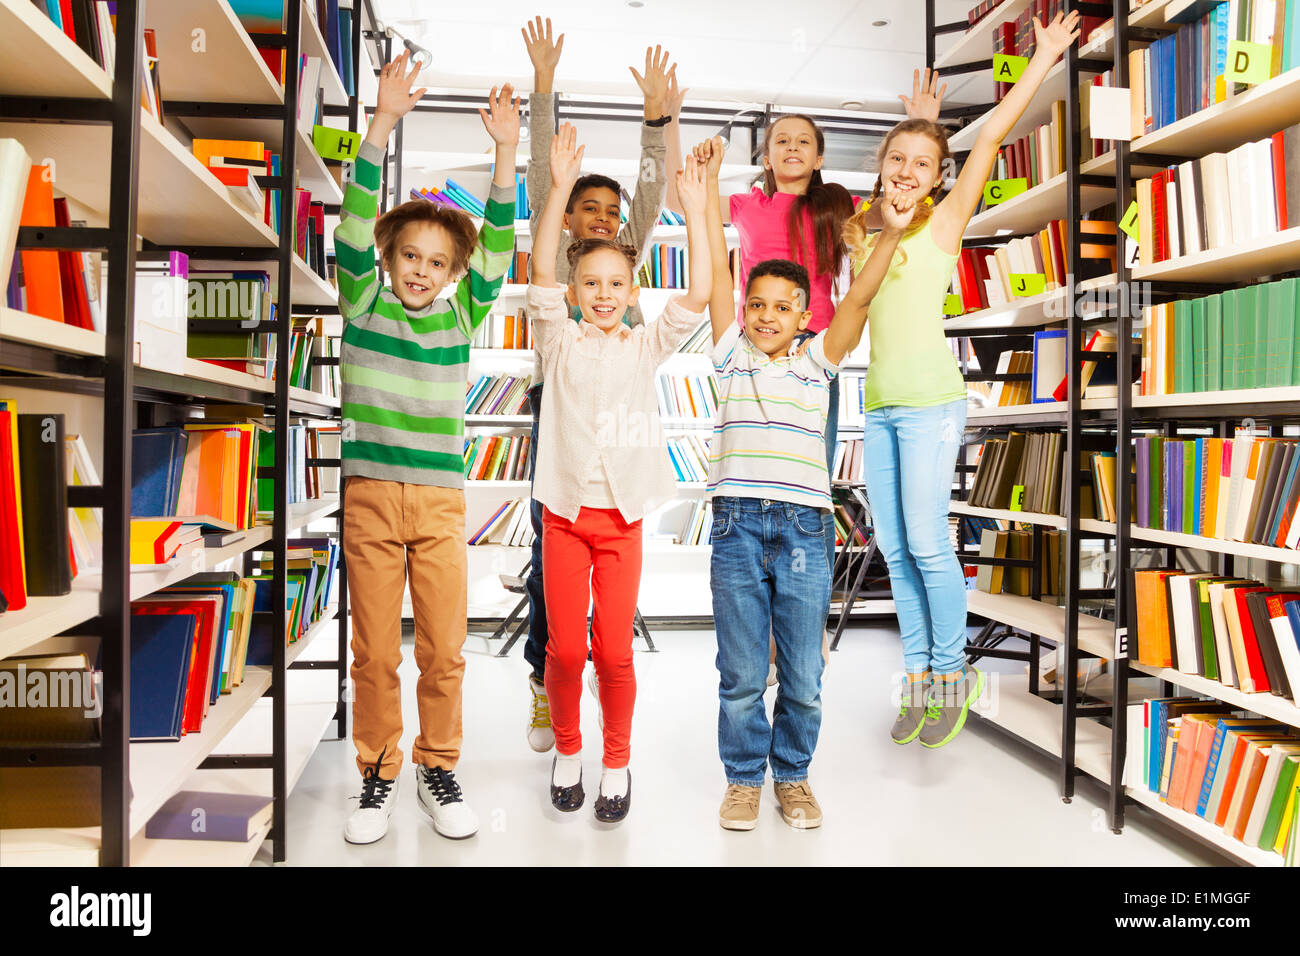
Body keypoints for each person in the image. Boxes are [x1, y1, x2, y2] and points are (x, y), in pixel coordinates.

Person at [842, 11, 1082, 749]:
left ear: (939, 176)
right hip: (878, 404)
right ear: (884, 165)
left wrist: (1039, 61)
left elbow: (990, 137)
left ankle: (952, 673)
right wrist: (919, 127)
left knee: (927, 542)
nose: (908, 173)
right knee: (895, 544)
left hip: (932, 405)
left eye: (923, 164)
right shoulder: (860, 229)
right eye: (898, 160)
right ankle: (919, 679)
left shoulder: (946, 222)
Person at [697, 136, 913, 830]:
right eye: (756, 304)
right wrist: (703, 202)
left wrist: (894, 233)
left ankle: (792, 776)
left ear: (802, 318)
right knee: (737, 675)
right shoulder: (729, 356)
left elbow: (862, 296)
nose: (764, 316)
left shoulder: (816, 364)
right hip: (735, 526)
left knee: (804, 675)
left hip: (803, 531)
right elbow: (715, 273)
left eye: (782, 307)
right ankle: (741, 780)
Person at [337, 52, 519, 844]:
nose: (420, 270)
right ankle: (377, 776)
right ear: (387, 259)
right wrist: (380, 125)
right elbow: (350, 221)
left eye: (436, 262)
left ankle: (437, 768)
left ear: (452, 272)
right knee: (376, 651)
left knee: (445, 648)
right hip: (371, 496)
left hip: (441, 502)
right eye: (408, 256)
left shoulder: (459, 318)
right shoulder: (362, 300)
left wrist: (508, 156)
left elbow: (501, 248)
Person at [527, 122, 711, 822]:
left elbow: (695, 292)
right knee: (566, 649)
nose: (603, 294)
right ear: (575, 291)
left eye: (615, 284)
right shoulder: (558, 338)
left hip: (624, 520)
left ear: (633, 291)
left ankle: (616, 761)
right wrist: (560, 191)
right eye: (590, 283)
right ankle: (566, 749)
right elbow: (539, 269)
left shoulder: (646, 346)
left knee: (613, 653)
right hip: (565, 518)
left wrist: (693, 211)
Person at [518, 17, 686, 752]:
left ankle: (606, 664)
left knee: (614, 537)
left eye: (613, 216)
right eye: (592, 208)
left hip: (619, 409)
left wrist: (658, 121)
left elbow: (651, 193)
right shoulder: (560, 260)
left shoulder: (619, 262)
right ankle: (546, 678)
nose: (606, 220)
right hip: (556, 406)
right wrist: (546, 84)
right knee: (546, 558)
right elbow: (539, 175)